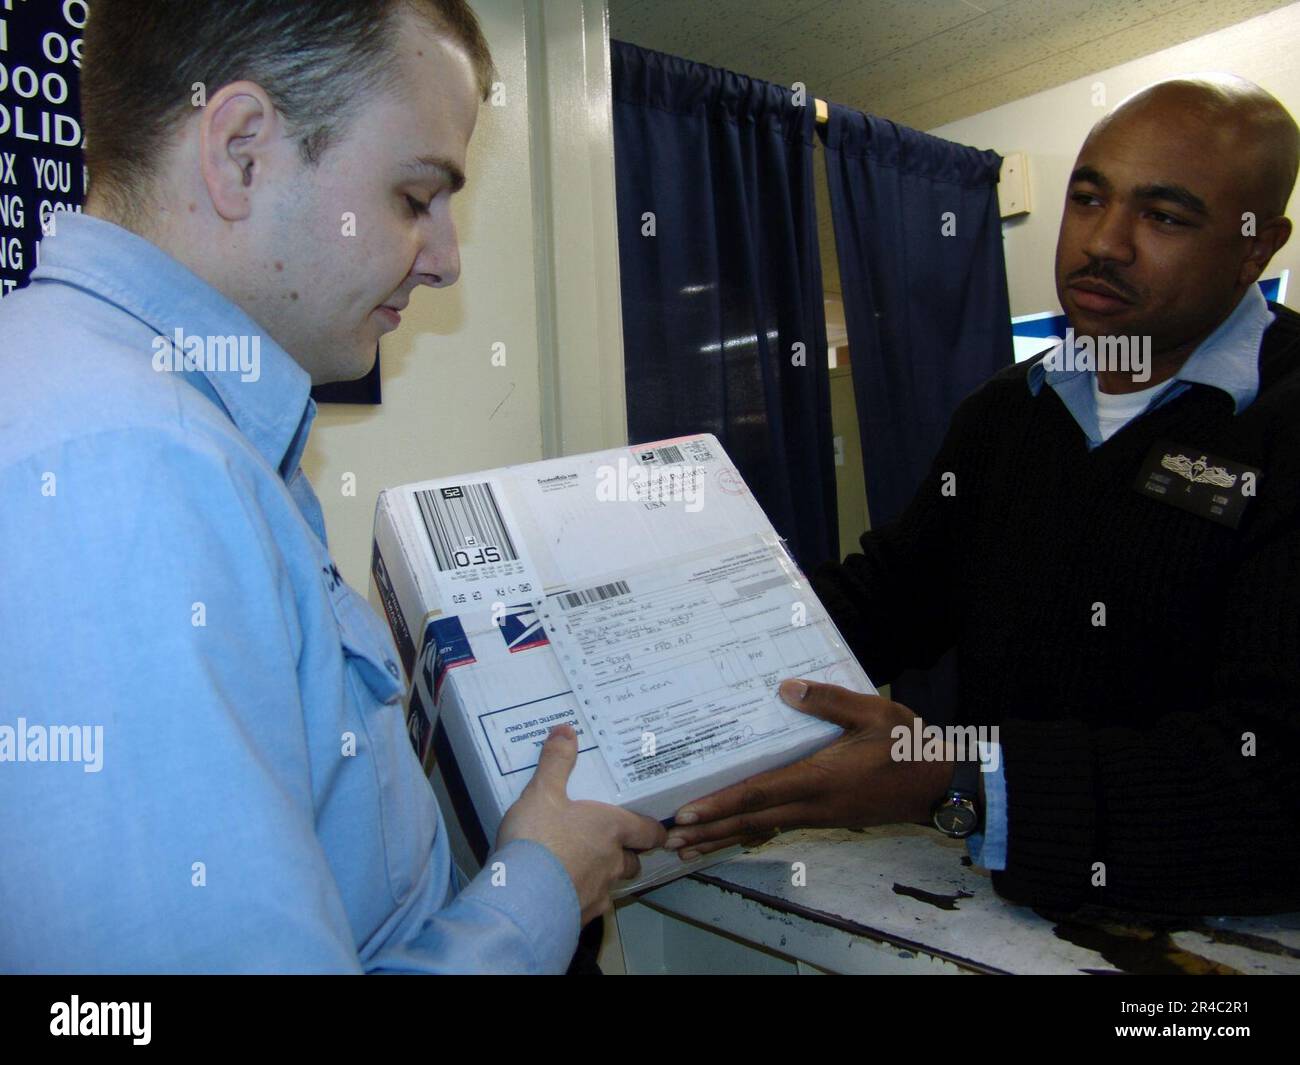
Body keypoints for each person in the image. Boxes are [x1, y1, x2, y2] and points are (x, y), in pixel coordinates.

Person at [0, 0, 663, 973]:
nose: (442, 261)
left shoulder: (152, 423)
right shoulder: (127, 474)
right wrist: (536, 896)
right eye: (413, 197)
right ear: (240, 154)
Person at [666, 75, 1300, 917]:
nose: (1103, 242)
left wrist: (956, 774)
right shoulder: (1007, 413)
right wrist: (671, 651)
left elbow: (1274, 775)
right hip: (1008, 910)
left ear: (1257, 246)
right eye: (1086, 197)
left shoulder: (1283, 421)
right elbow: (887, 597)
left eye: (1165, 216)